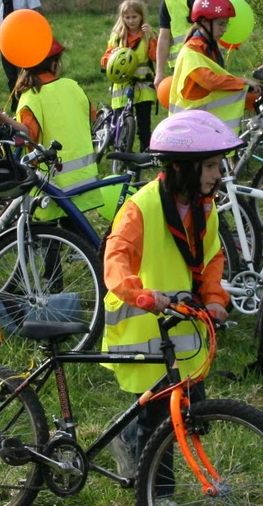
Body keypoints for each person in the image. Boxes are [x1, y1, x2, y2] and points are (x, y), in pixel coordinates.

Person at [101, 110, 236, 485]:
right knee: (157, 418)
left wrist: (214, 298)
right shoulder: (141, 207)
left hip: (178, 326)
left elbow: (211, 257)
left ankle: (127, 442)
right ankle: (159, 496)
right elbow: (115, 260)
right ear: (183, 168)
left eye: (218, 166)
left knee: (183, 410)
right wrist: (141, 294)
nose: (216, 174)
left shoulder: (203, 208)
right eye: (210, 166)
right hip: (142, 326)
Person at [0, 40, 112, 222]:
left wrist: (2, 118)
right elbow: (90, 115)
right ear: (53, 64)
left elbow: (27, 133)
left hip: (50, 181)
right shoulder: (72, 86)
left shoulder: (32, 96)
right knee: (77, 234)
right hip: (83, 177)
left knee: (48, 235)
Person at [170, 0, 249, 135]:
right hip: (189, 123)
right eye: (221, 24)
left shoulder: (209, 47)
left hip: (202, 120)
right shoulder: (192, 50)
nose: (224, 29)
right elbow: (209, 80)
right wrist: (242, 82)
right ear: (205, 22)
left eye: (226, 24)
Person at [100, 0, 158, 150]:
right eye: (127, 17)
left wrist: (152, 38)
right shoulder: (117, 37)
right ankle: (123, 153)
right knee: (122, 123)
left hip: (143, 86)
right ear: (122, 18)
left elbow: (155, 56)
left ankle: (146, 151)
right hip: (121, 88)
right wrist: (110, 58)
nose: (131, 21)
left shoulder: (148, 36)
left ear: (141, 17)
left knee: (144, 125)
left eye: (134, 17)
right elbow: (105, 59)